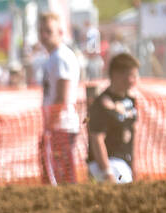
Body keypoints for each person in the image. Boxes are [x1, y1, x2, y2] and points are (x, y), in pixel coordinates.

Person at [38, 12, 81, 185]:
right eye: (41, 31)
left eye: (48, 31)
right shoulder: (54, 57)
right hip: (58, 125)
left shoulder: (61, 57)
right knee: (58, 172)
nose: (44, 36)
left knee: (61, 176)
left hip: (61, 125)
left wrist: (51, 125)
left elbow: (62, 96)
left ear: (60, 32)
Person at [87, 52, 138, 184]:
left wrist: (134, 166)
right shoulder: (101, 103)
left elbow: (133, 133)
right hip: (108, 164)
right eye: (131, 75)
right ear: (116, 75)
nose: (134, 80)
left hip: (124, 163)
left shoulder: (131, 100)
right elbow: (96, 138)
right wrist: (107, 171)